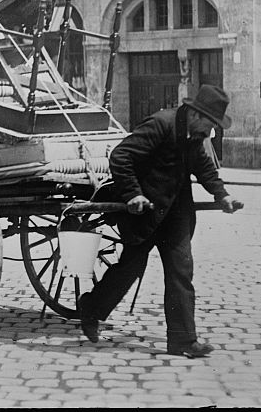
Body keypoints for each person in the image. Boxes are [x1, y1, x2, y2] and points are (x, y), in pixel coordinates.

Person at [77, 85, 241, 356]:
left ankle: (183, 341)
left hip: (176, 216)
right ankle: (90, 309)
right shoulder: (161, 124)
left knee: (181, 272)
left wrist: (222, 195)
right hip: (145, 212)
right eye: (211, 123)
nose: (212, 131)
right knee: (131, 267)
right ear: (196, 115)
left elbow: (204, 169)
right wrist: (133, 194)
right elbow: (121, 156)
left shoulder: (194, 136)